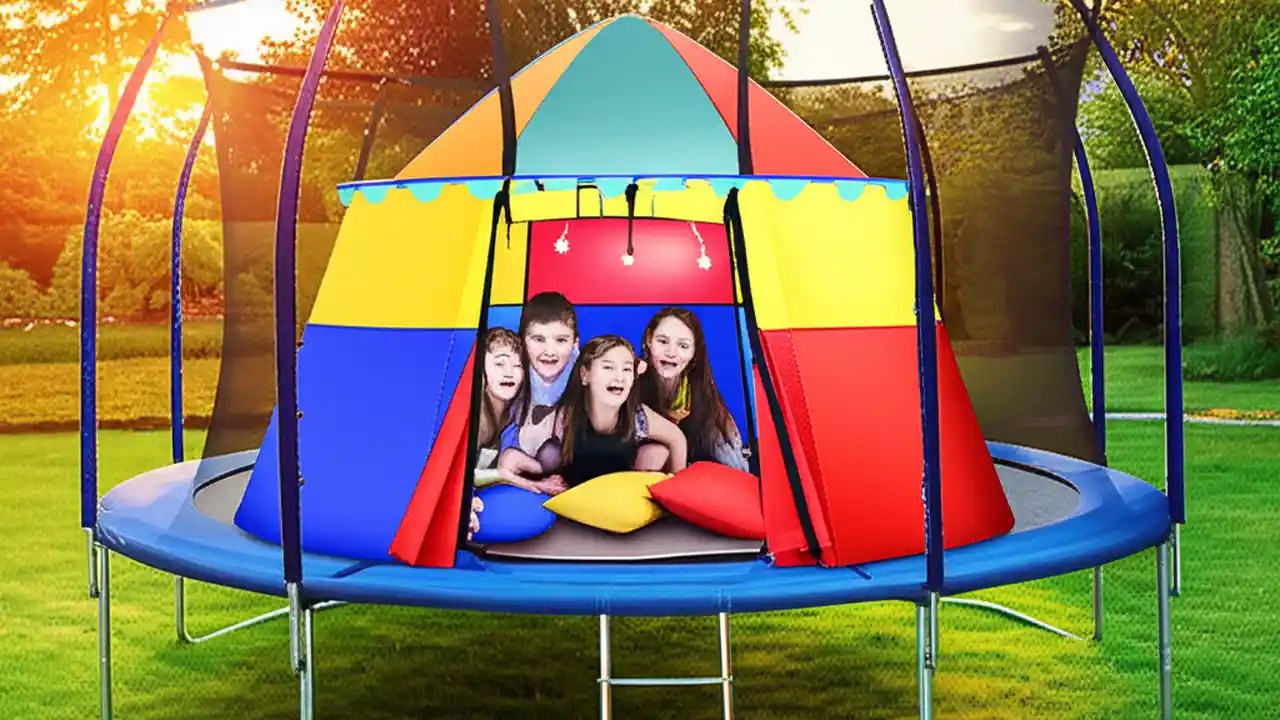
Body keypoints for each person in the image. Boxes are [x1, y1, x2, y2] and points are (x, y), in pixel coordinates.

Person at [636, 307, 749, 472]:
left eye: (683, 346)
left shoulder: (702, 396)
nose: (671, 353)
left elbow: (734, 465)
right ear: (648, 340)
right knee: (656, 454)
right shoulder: (631, 379)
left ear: (694, 353)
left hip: (696, 476)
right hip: (644, 476)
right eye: (662, 342)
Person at [472, 328, 525, 485]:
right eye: (499, 364)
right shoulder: (476, 417)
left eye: (517, 365)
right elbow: (460, 473)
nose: (509, 372)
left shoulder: (515, 413)